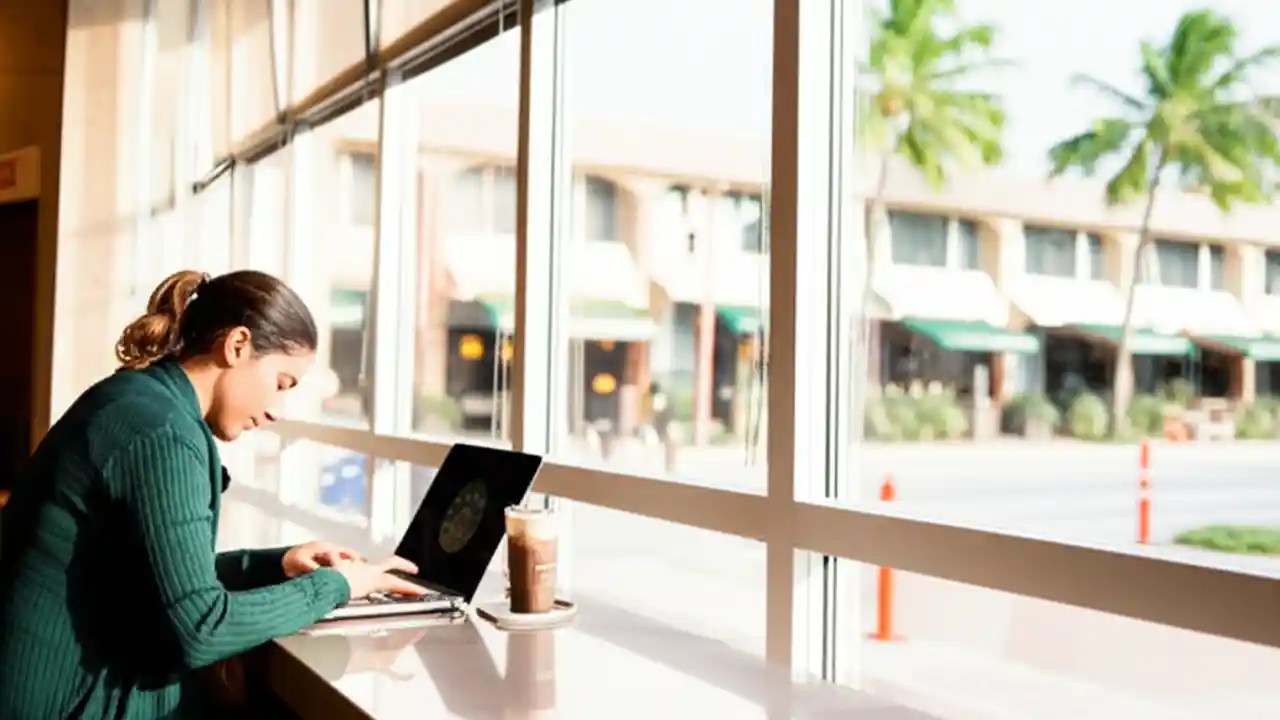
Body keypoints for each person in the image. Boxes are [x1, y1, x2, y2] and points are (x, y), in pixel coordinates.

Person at [0, 269, 426, 719]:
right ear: (237, 345)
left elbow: (161, 579)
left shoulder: (140, 399)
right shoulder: (161, 432)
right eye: (281, 383)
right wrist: (338, 586)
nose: (276, 411)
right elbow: (201, 628)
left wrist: (277, 564)